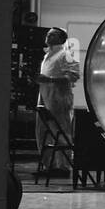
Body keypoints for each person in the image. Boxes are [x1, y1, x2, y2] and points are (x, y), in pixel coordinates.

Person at [34, 27, 80, 174]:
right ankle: (49, 166)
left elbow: (72, 76)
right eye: (48, 34)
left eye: (52, 35)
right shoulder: (47, 56)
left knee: (61, 132)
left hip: (59, 101)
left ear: (61, 39)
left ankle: (62, 166)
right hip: (45, 98)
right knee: (43, 132)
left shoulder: (66, 54)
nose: (48, 36)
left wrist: (49, 80)